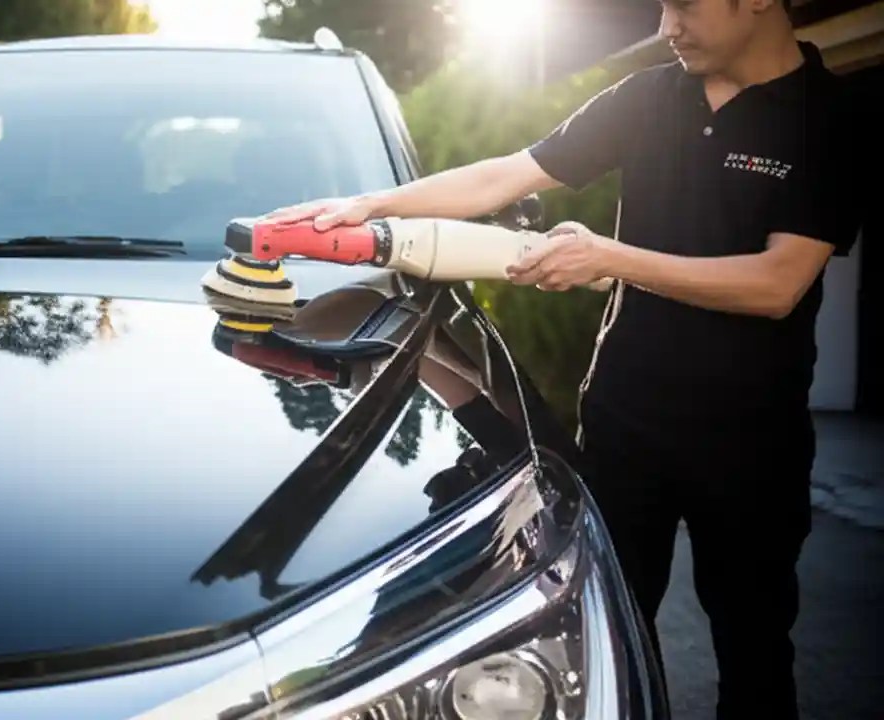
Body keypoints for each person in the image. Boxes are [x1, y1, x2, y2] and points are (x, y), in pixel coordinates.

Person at [261, 0, 868, 717]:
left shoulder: (830, 116)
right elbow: (504, 177)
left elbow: (776, 284)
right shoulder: (649, 96)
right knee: (603, 631)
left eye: (687, 5)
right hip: (625, 420)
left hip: (750, 439)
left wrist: (607, 258)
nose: (668, 25)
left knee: (755, 647)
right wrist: (366, 206)